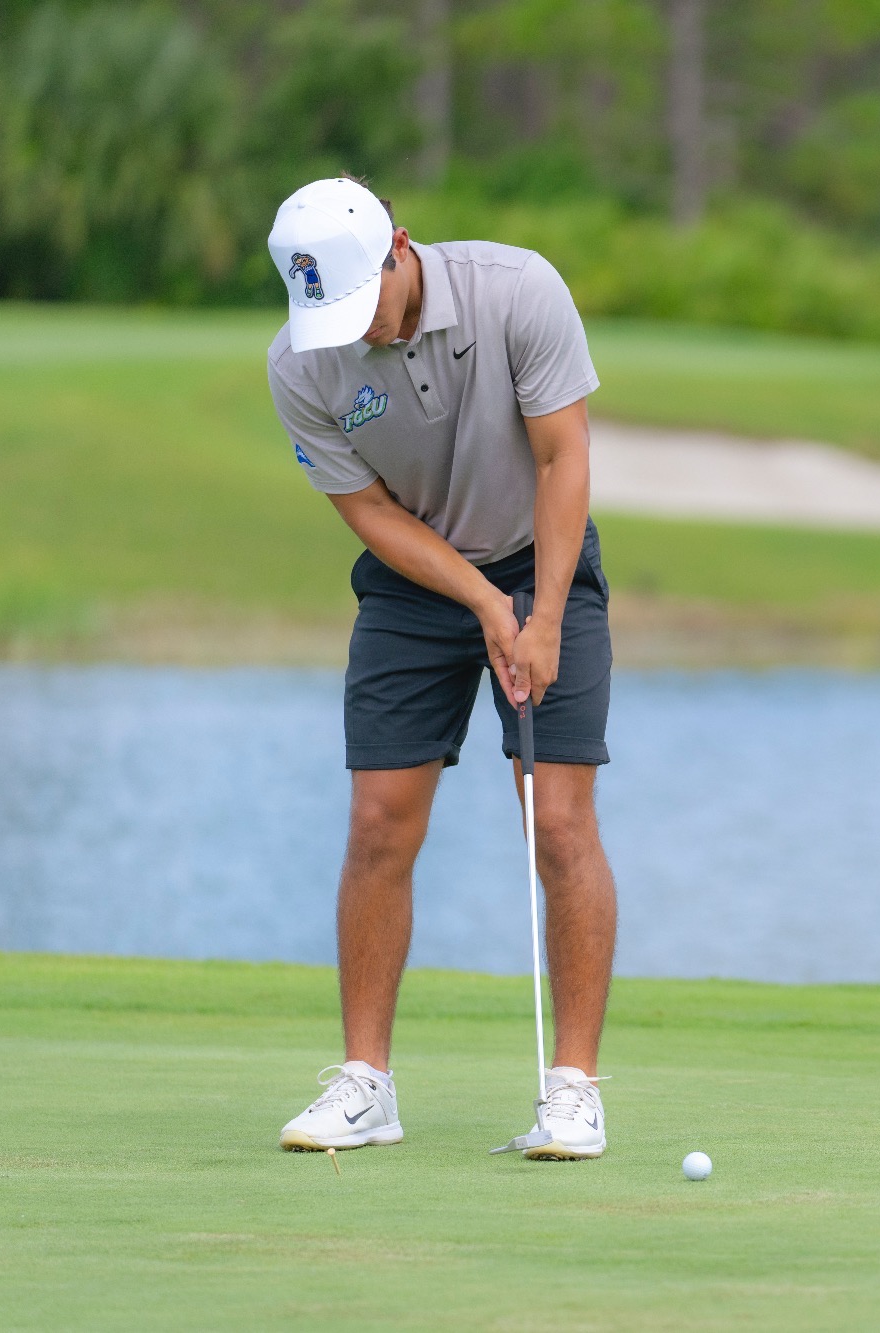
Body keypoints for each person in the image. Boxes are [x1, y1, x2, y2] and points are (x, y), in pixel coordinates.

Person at [263, 175, 616, 1160]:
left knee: (557, 819)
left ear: (400, 247)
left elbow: (564, 459)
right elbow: (370, 513)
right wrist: (483, 604)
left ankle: (573, 1090)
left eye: (359, 301)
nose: (350, 330)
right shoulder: (299, 362)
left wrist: (540, 615)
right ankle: (365, 1085)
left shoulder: (518, 291)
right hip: (415, 582)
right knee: (378, 821)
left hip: (543, 559)